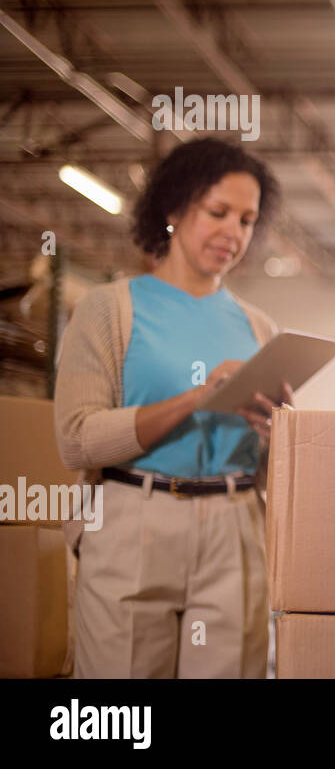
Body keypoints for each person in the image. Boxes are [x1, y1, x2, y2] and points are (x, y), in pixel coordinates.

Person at [53, 136, 293, 678]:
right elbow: (76, 439)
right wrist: (196, 399)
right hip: (133, 518)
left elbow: (271, 471)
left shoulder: (261, 329)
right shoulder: (108, 311)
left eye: (247, 220)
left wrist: (281, 437)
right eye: (218, 212)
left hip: (235, 524)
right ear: (174, 209)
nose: (233, 232)